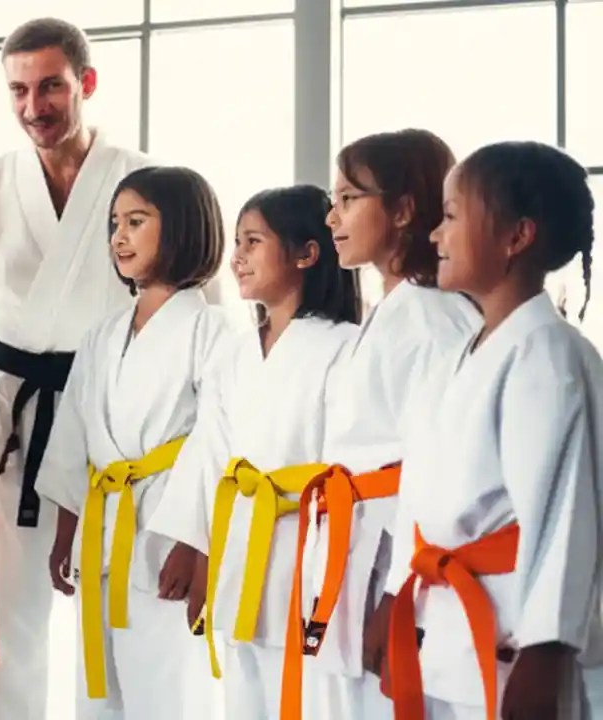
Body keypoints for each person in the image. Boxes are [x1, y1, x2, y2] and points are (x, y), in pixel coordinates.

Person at [0, 18, 158, 718]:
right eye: (19, 90)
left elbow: (191, 307)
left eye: (51, 86)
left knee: (113, 606)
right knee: (9, 606)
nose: (34, 106)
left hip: (112, 415)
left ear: (86, 83)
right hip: (13, 419)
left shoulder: (141, 179)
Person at [384, 141, 603, 719]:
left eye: (452, 216)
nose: (435, 235)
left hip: (511, 640)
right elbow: (420, 488)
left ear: (516, 236)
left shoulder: (550, 354)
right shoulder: (460, 351)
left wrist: (548, 648)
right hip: (443, 621)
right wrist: (393, 600)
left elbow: (567, 516)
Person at [276, 129, 483, 720]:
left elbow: (438, 469)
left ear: (402, 210)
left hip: (399, 563)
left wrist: (396, 597)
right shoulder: (396, 308)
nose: (331, 216)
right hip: (357, 546)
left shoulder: (433, 317)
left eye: (348, 199)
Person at [148, 185, 362, 720]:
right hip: (241, 548)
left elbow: (353, 469)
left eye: (253, 241)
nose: (236, 256)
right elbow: (210, 452)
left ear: (306, 253)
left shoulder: (345, 348)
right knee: (246, 693)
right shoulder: (236, 353)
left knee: (313, 698)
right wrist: (195, 549)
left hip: (306, 551)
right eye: (236, 241)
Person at [34, 166, 230, 718]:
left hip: (167, 537)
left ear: (185, 227)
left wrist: (197, 544)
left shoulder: (210, 332)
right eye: (115, 223)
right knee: (97, 693)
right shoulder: (101, 336)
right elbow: (73, 438)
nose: (119, 237)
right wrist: (66, 533)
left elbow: (217, 442)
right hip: (100, 537)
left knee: (167, 692)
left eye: (136, 221)